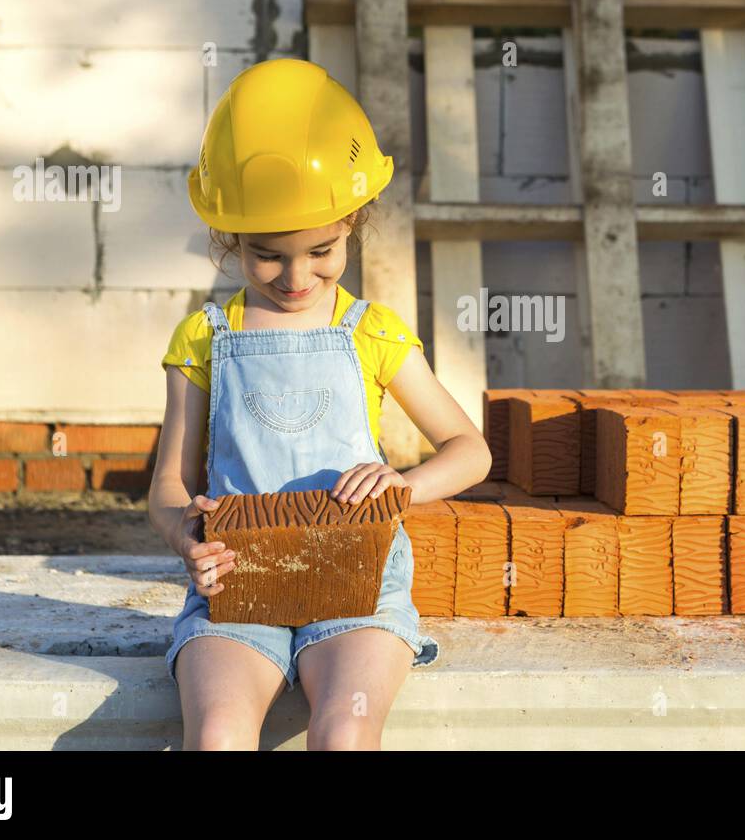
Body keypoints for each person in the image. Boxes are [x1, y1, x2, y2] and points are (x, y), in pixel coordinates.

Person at [148, 58, 491, 750]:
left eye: (322, 250)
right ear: (229, 240)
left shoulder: (372, 332)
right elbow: (167, 486)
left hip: (358, 592)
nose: (297, 276)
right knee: (216, 734)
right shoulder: (204, 338)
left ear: (356, 219)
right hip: (239, 591)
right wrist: (185, 537)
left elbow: (470, 451)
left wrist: (405, 484)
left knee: (345, 730)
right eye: (267, 255)